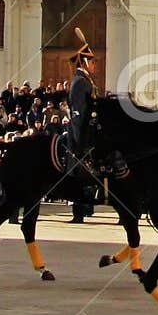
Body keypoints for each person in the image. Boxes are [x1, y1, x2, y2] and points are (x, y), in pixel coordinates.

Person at [65, 32, 99, 222]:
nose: (94, 65)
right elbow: (79, 112)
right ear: (85, 63)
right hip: (80, 134)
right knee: (79, 172)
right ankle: (78, 212)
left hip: (89, 130)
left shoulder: (87, 81)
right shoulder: (79, 82)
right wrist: (83, 139)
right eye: (92, 62)